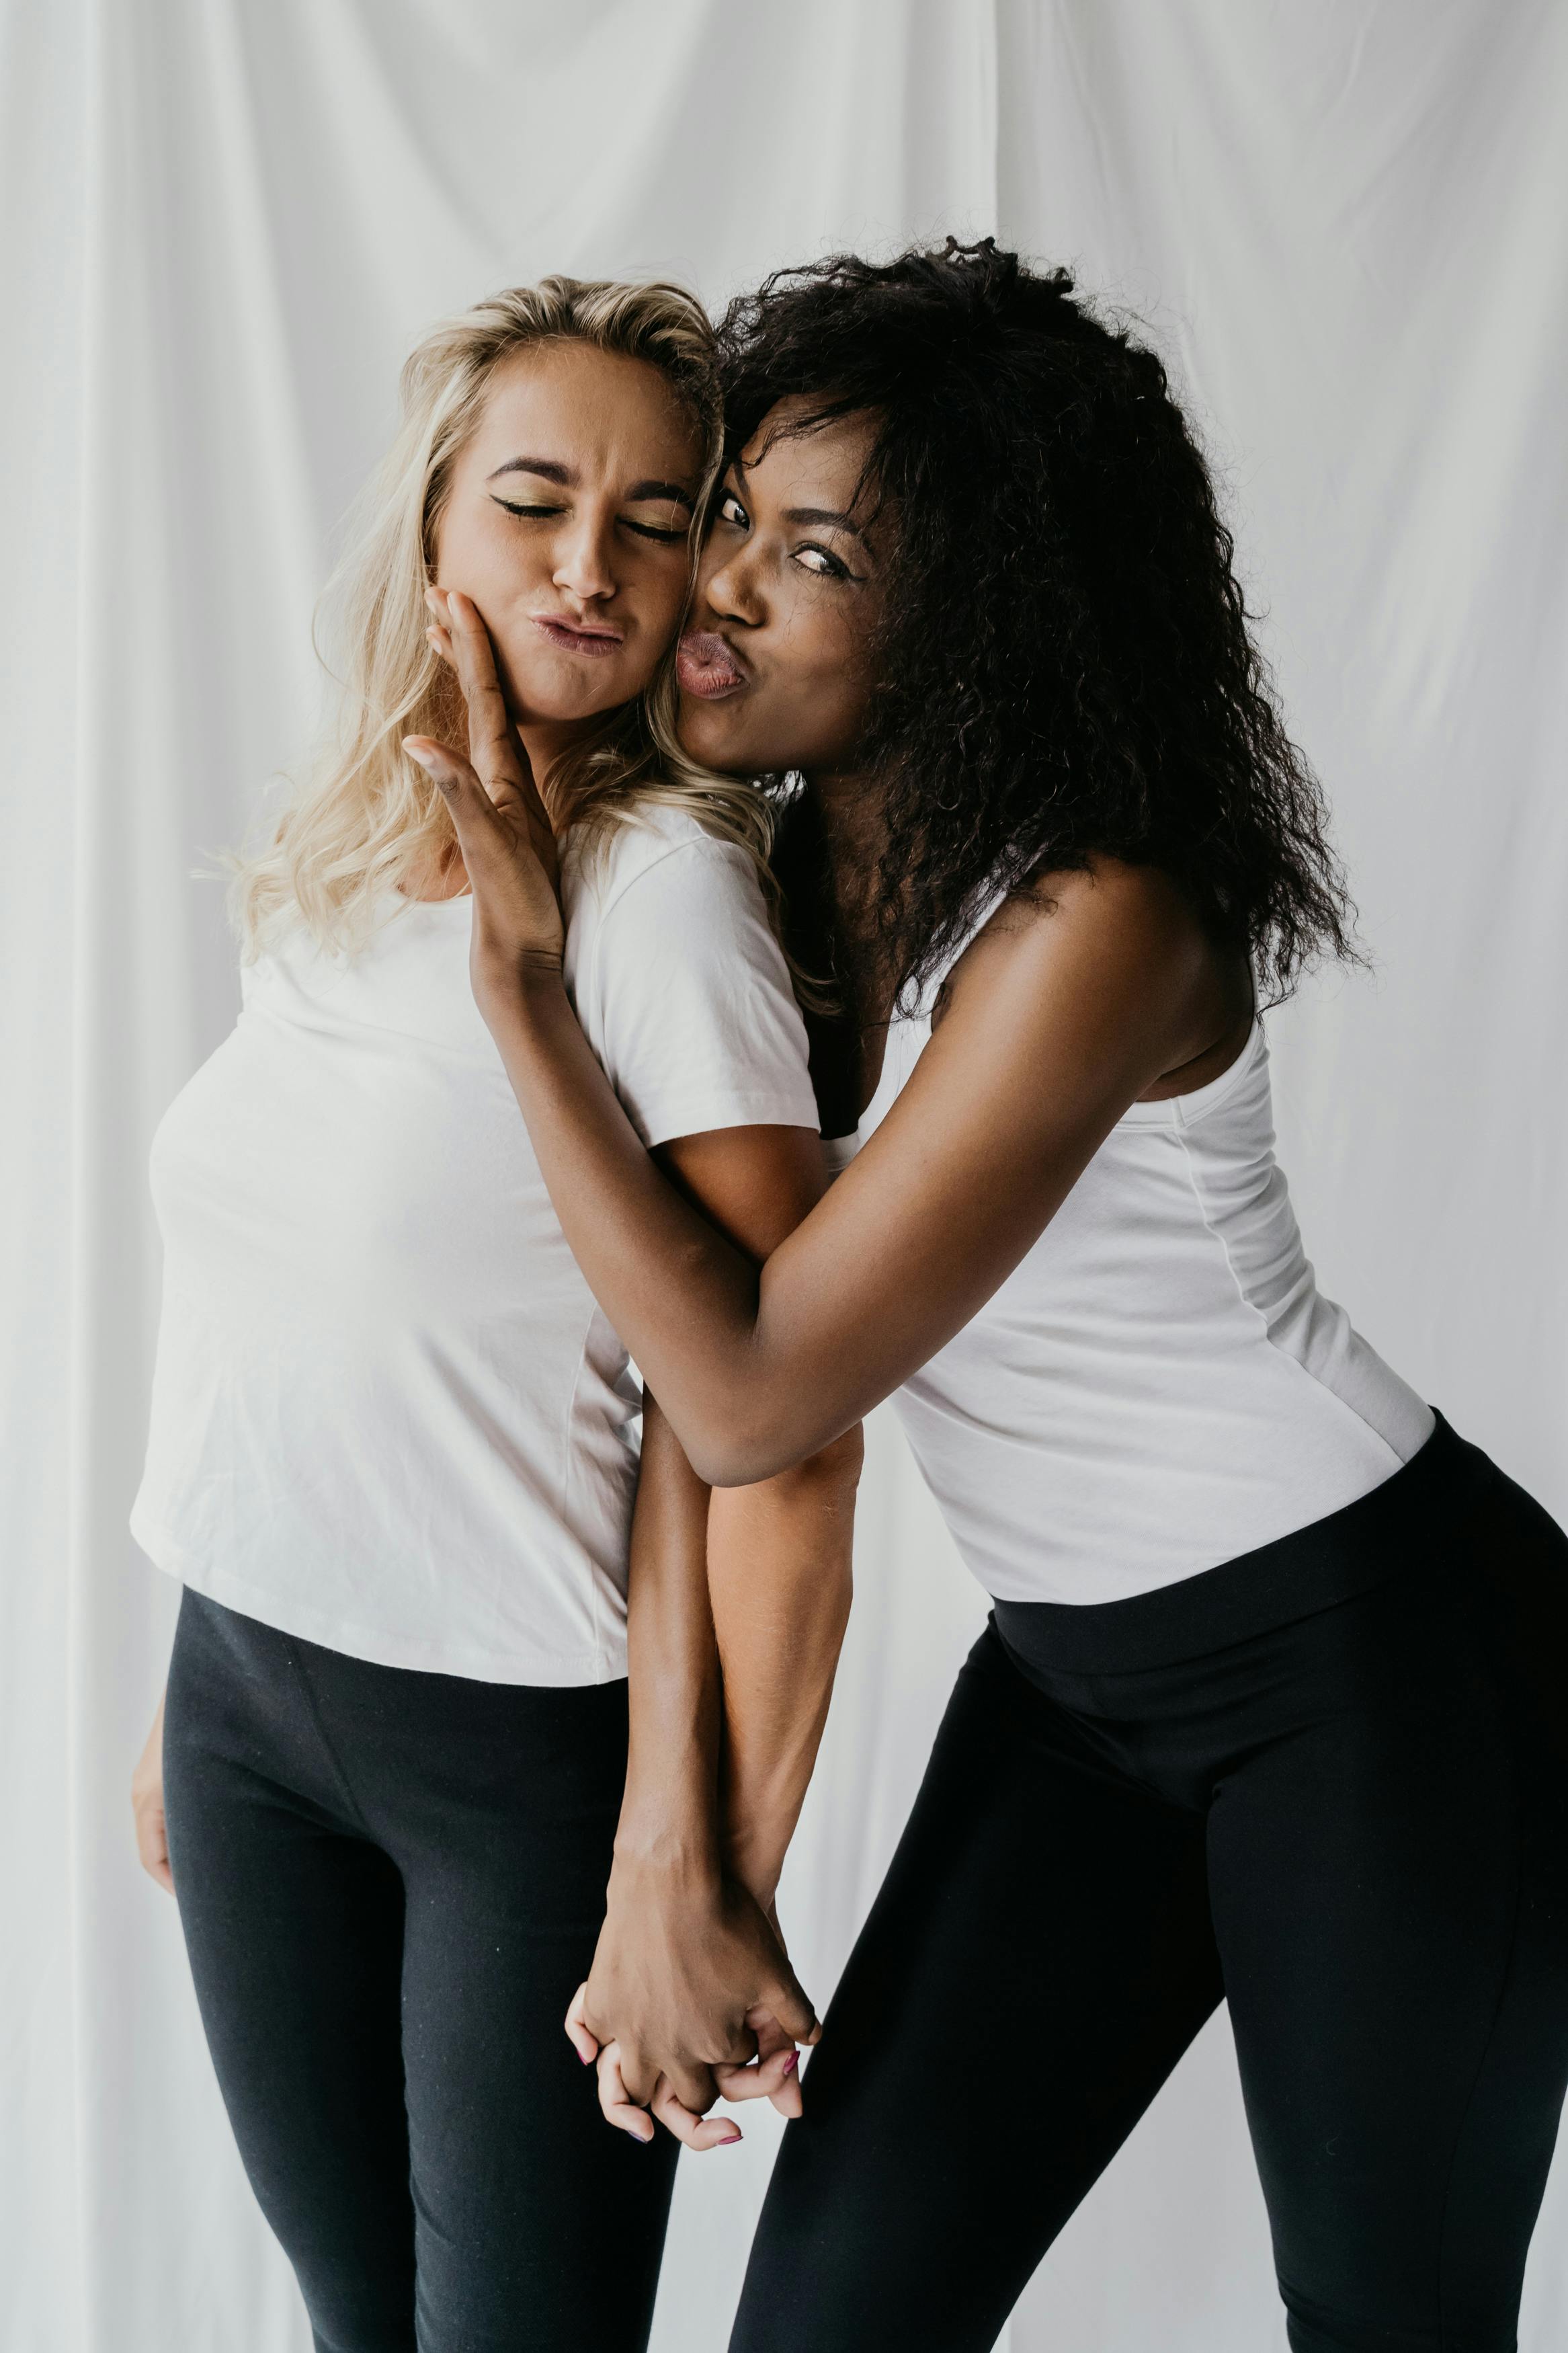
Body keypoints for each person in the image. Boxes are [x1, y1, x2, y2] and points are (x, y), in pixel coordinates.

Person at [409, 241, 1568, 2353]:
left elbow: (757, 1390)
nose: (727, 583)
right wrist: (674, 1846)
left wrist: (520, 994)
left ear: (967, 622)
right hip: (1078, 1695)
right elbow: (665, 1365)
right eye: (737, 516)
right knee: (835, 2320)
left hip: (1389, 1675)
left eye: (818, 555)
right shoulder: (763, 886)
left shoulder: (1095, 925)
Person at [128, 275, 861, 2353]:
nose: (591, 562)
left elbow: (781, 1430)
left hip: (515, 1766)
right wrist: (188, 1677)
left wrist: (691, 1863)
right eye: (537, 498)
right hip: (245, 1690)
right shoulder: (363, 840)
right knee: (360, 2319)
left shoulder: (664, 897)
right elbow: (274, 1301)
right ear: (436, 525)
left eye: (656, 516)